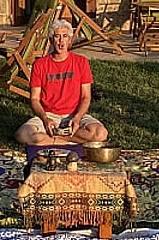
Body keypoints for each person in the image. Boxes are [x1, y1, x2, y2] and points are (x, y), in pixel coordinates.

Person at [15, 18, 108, 146]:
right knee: (23, 135)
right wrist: (45, 119)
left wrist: (77, 118)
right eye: (57, 36)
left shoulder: (81, 62)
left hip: (74, 114)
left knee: (100, 133)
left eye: (65, 36)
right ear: (51, 40)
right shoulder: (39, 64)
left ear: (70, 40)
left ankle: (56, 139)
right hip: (49, 115)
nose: (61, 41)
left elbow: (86, 97)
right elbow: (34, 99)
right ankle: (68, 140)